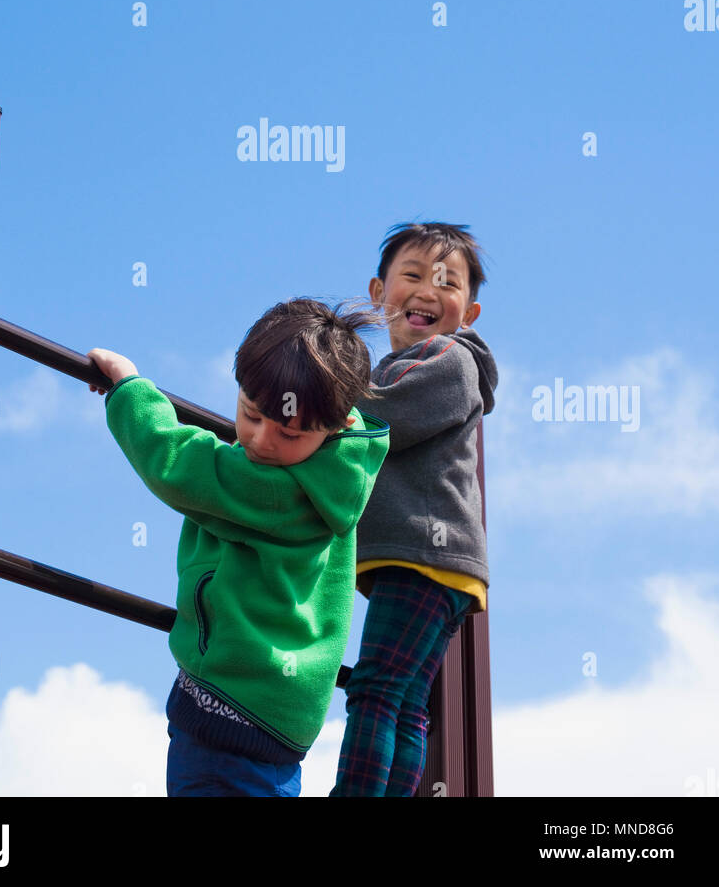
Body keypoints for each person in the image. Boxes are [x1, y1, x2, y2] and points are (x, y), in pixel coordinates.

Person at [87, 297, 389, 797]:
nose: (262, 442)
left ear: (332, 427)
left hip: (229, 713)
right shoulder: (337, 469)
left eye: (288, 432)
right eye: (251, 414)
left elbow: (178, 464)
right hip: (272, 722)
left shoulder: (279, 491)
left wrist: (128, 389)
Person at [330, 222, 498, 797]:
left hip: (425, 550)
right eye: (413, 275)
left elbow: (383, 423)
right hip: (438, 561)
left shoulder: (449, 359)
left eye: (448, 282)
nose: (429, 289)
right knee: (402, 702)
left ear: (468, 312)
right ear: (379, 293)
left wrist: (317, 400)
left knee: (376, 689)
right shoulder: (416, 363)